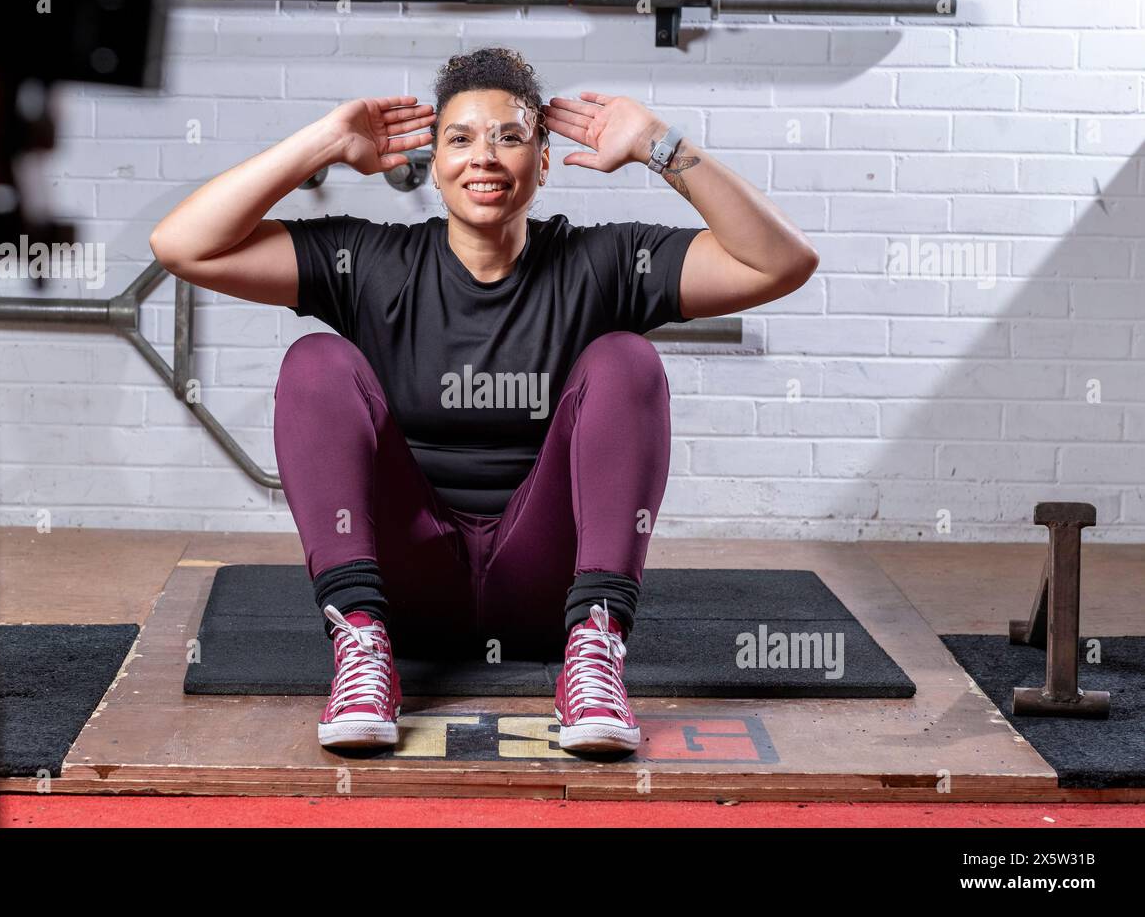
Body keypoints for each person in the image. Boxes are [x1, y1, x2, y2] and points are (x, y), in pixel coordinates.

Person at [149, 47, 818, 754]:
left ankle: (595, 655)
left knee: (627, 359)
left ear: (546, 160)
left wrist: (661, 146)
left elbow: (782, 262)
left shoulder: (604, 263)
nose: (485, 158)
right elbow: (182, 245)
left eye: (510, 136)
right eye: (460, 139)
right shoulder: (371, 264)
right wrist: (323, 142)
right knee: (315, 361)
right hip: (408, 591)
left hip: (547, 591)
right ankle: (360, 649)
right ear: (432, 163)